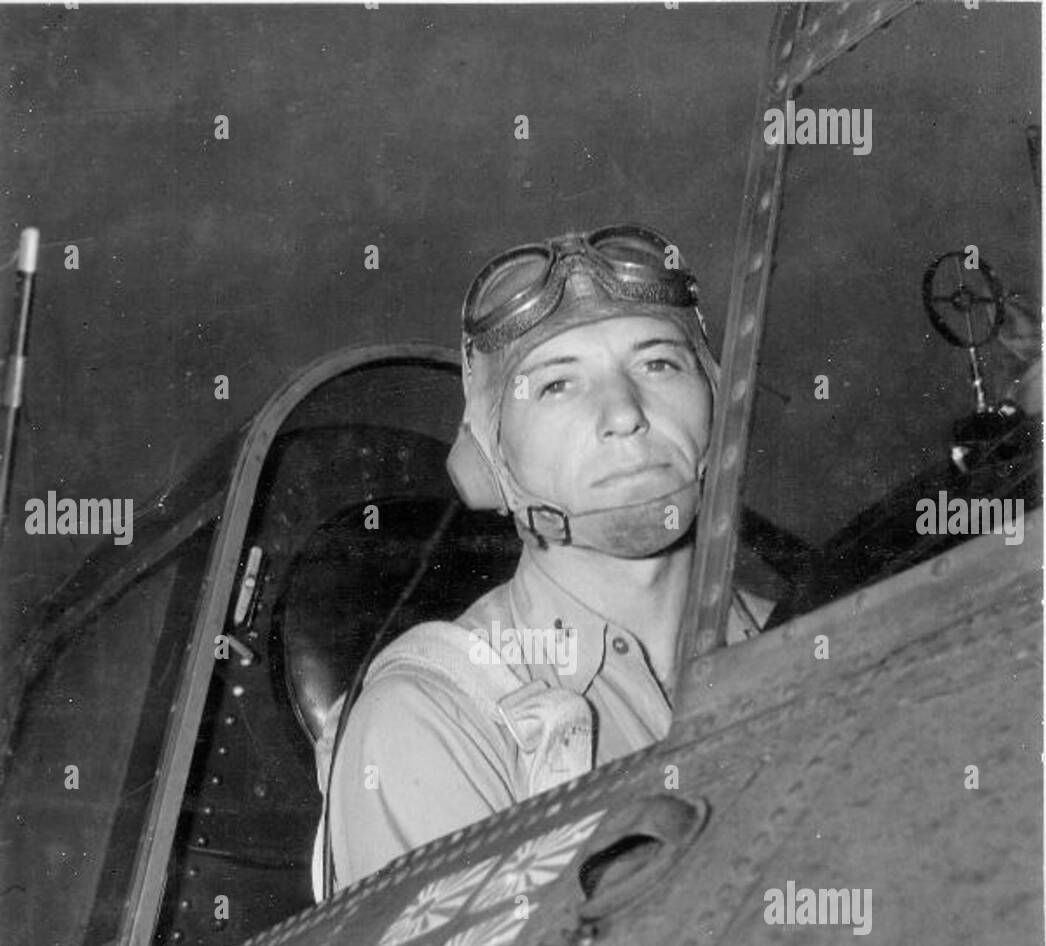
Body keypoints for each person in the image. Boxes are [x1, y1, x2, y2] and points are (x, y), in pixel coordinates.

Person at [312, 225, 773, 897]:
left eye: (659, 364)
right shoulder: (433, 717)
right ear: (486, 460)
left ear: (719, 405)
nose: (624, 414)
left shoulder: (809, 632)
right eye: (557, 385)